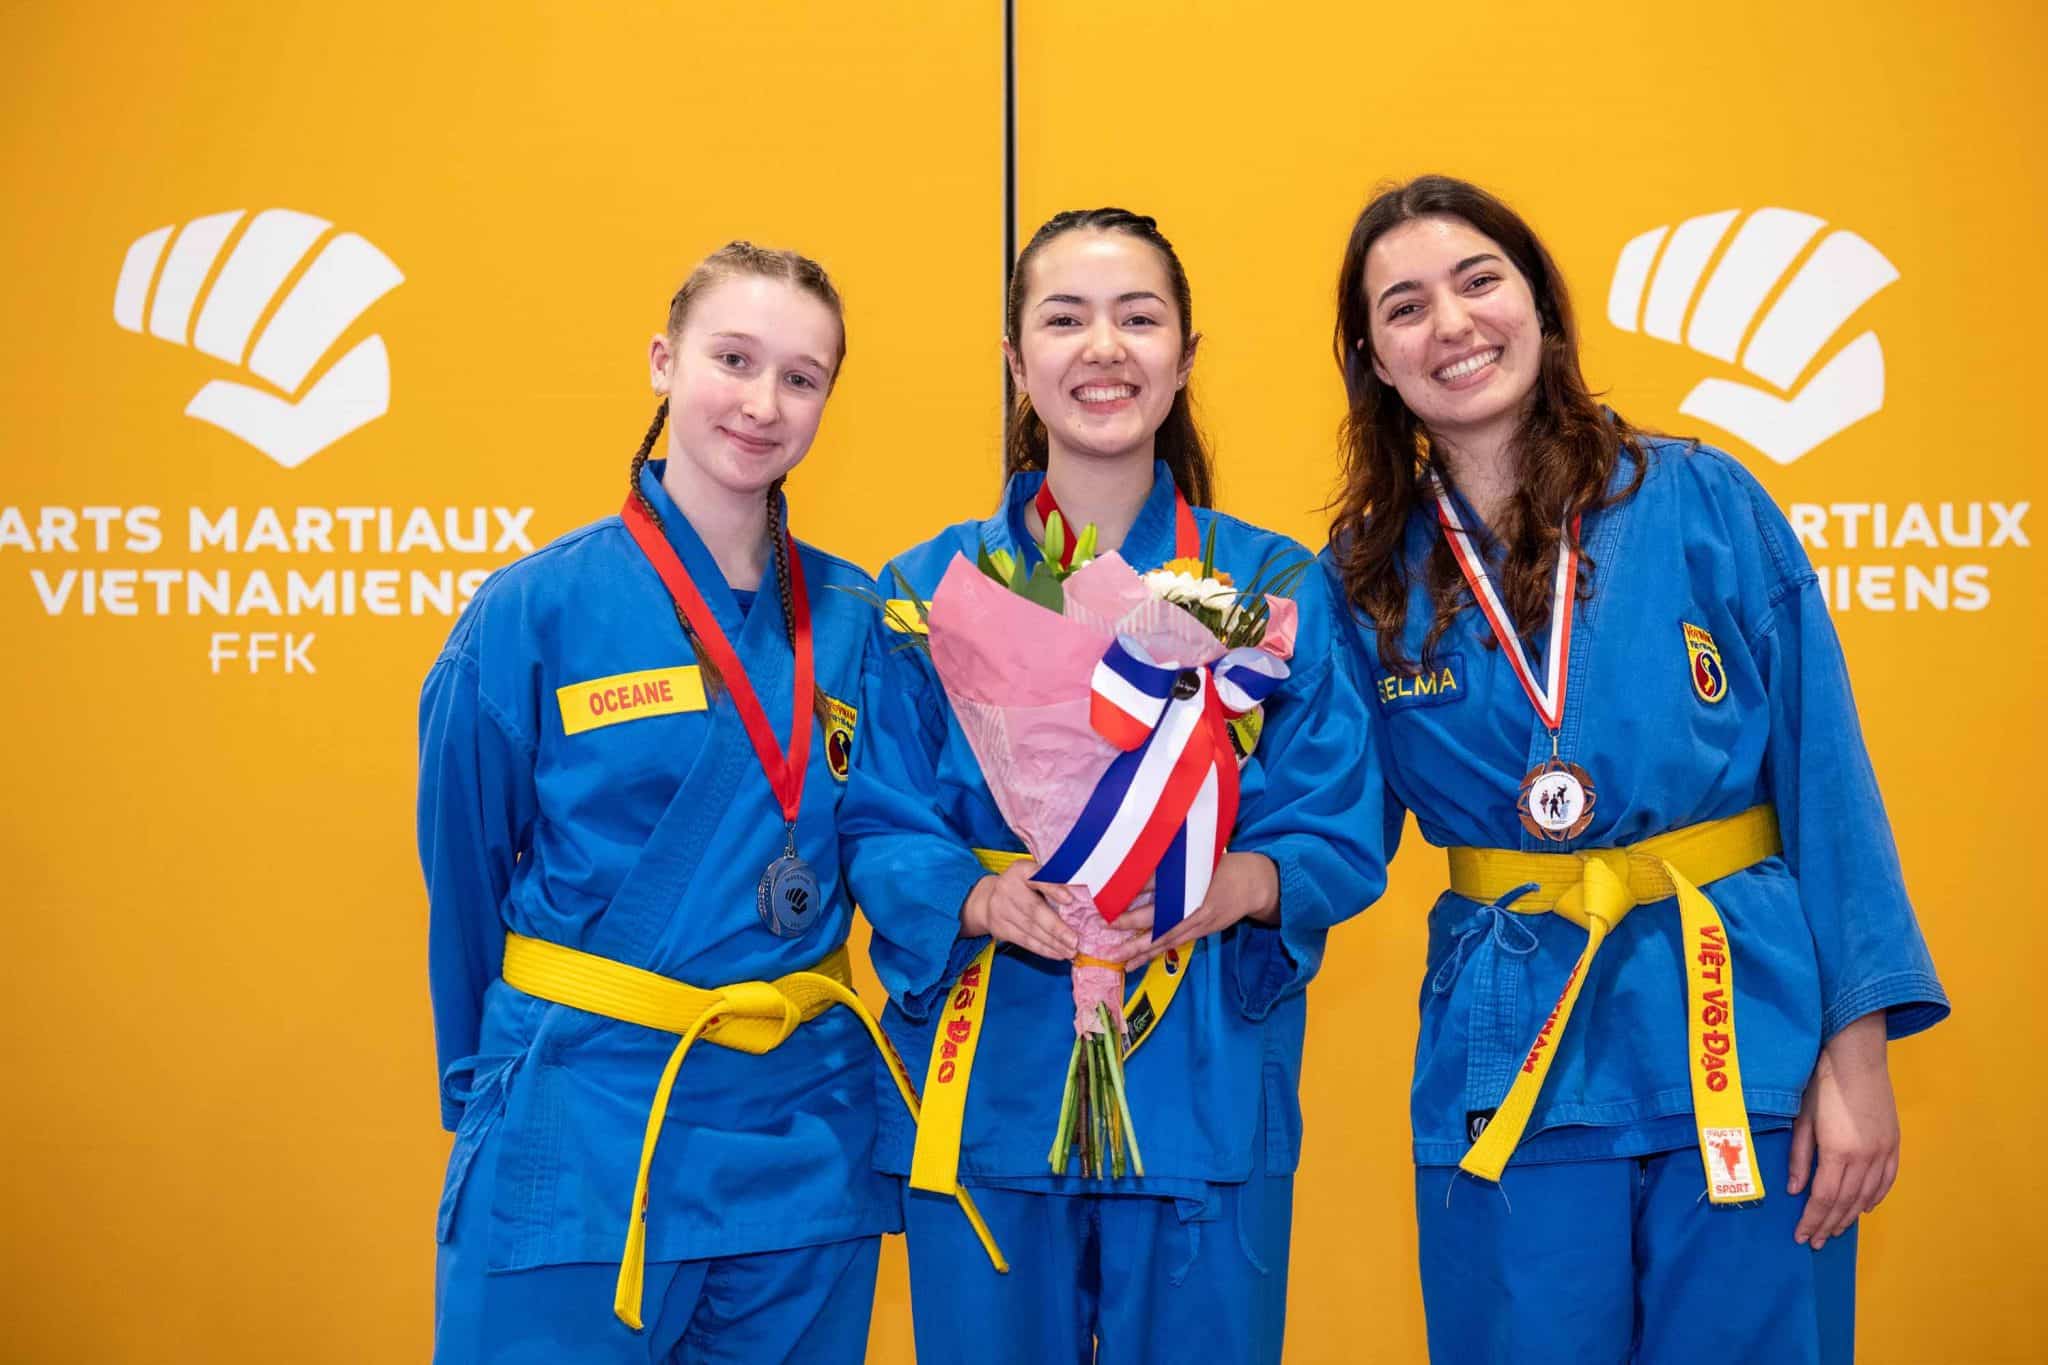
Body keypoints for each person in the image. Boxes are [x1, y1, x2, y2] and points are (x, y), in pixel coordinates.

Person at [1320, 175, 1948, 1364]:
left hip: (1735, 1031)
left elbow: (1827, 782)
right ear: (1373, 359)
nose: (1449, 325)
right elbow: (1329, 827)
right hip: (1508, 1056)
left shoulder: (1704, 500)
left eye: (1477, 281)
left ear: (1540, 306)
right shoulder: (1359, 572)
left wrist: (1852, 1058)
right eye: (1402, 308)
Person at [841, 207, 1389, 1364]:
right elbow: (880, 816)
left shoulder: (1268, 582)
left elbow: (1337, 817)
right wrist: (974, 898)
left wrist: (1236, 882)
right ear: (1013, 361)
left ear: (1184, 358)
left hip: (1198, 1070)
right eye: (1064, 319)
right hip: (990, 1072)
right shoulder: (928, 587)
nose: (1103, 348)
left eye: (1138, 319)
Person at [419, 242, 929, 1362]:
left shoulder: (858, 621)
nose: (762, 403)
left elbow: (895, 840)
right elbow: (462, 884)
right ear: (663, 362)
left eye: (801, 378)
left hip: (799, 1132)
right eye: (732, 359)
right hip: (585, 1117)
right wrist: (495, 1087)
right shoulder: (532, 613)